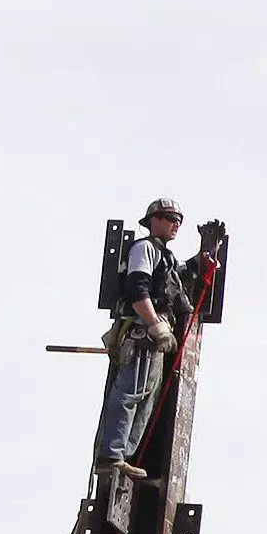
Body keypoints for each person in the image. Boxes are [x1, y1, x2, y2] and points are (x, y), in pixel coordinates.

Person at [96, 200, 196, 479]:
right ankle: (112, 456)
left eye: (179, 218)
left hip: (155, 338)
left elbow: (182, 274)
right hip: (143, 333)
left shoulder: (166, 257)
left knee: (146, 400)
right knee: (130, 393)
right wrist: (155, 324)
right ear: (153, 220)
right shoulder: (145, 249)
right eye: (169, 217)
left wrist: (207, 257)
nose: (175, 223)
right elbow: (137, 289)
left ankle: (123, 456)